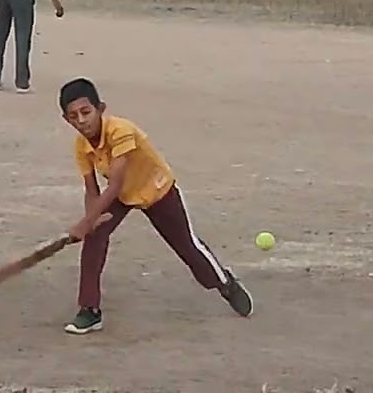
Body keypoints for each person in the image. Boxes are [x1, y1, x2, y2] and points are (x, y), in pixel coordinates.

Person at [58, 77, 254, 335]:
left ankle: (223, 282)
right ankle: (89, 310)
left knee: (187, 247)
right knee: (95, 237)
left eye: (86, 112)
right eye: (73, 116)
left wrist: (83, 224)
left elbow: (115, 183)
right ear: (66, 119)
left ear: (101, 108)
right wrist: (90, 221)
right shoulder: (81, 146)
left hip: (156, 190)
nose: (81, 121)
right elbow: (92, 190)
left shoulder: (120, 131)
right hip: (122, 196)